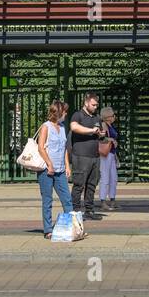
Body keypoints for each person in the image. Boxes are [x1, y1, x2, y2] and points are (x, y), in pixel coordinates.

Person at [35, 100, 74, 239]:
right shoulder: (46, 127)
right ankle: (48, 229)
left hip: (60, 170)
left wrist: (67, 166)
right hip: (46, 170)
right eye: (64, 111)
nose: (66, 114)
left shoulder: (62, 127)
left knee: (67, 199)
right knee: (47, 200)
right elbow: (40, 147)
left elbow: (64, 149)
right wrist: (49, 164)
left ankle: (72, 227)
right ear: (58, 112)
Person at [68, 92, 106, 220]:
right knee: (79, 184)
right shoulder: (78, 115)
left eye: (96, 105)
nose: (95, 107)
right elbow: (74, 127)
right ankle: (75, 211)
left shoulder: (96, 118)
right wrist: (91, 131)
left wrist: (101, 134)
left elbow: (100, 133)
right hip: (81, 156)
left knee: (92, 184)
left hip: (95, 156)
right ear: (86, 103)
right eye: (93, 104)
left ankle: (89, 210)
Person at [96, 106, 120, 210]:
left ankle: (112, 200)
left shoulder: (110, 125)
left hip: (111, 154)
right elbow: (101, 138)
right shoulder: (104, 125)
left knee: (113, 178)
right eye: (113, 115)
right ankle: (103, 201)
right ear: (108, 116)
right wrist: (112, 140)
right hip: (105, 155)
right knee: (105, 178)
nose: (115, 117)